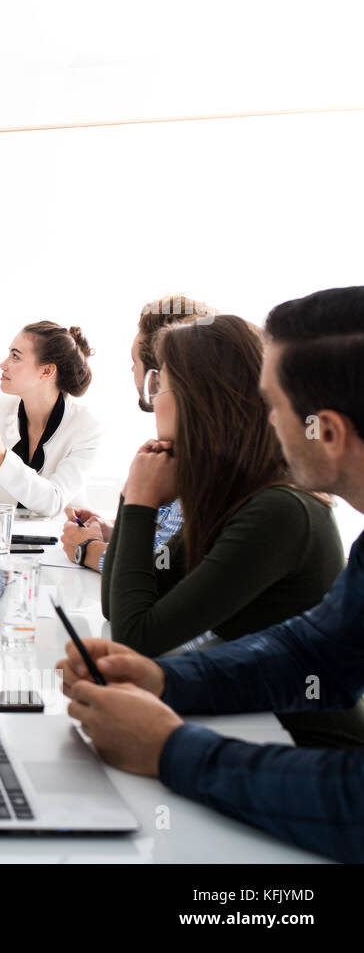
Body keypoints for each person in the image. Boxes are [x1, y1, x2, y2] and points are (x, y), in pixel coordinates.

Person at [60, 286, 364, 862]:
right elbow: (315, 655)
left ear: (327, 431)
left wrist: (170, 747)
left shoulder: (281, 508)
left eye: (271, 403)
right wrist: (163, 682)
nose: (261, 418)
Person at [95, 313, 363, 745]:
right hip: (249, 722)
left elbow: (138, 637)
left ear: (199, 398)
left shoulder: (278, 510)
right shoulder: (238, 496)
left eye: (159, 383)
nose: (151, 399)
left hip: (304, 747)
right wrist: (132, 495)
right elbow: (119, 605)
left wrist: (141, 502)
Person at [60, 294, 213, 570]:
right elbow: (164, 538)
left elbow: (154, 573)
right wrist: (116, 529)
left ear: (159, 374)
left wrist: (87, 549)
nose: (132, 369)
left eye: (135, 360)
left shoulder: (200, 456)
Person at [0, 322, 101, 517]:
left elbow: (53, 501)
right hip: (0, 541)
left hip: (58, 542)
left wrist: (1, 456)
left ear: (47, 371)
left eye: (15, 356)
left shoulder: (85, 426)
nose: (3, 364)